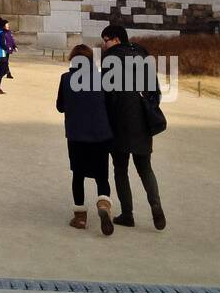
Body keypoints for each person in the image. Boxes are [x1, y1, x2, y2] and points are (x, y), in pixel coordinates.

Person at [101, 24, 166, 230]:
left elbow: (107, 93)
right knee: (145, 167)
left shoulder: (111, 58)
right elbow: (154, 90)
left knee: (120, 169)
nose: (104, 45)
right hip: (142, 121)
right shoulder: (142, 54)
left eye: (106, 40)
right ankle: (156, 206)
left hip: (119, 121)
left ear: (117, 39)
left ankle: (127, 214)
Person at [56, 43, 114, 234]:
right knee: (101, 175)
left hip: (76, 134)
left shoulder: (66, 79)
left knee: (78, 175)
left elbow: (60, 106)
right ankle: (104, 204)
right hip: (100, 134)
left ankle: (80, 217)